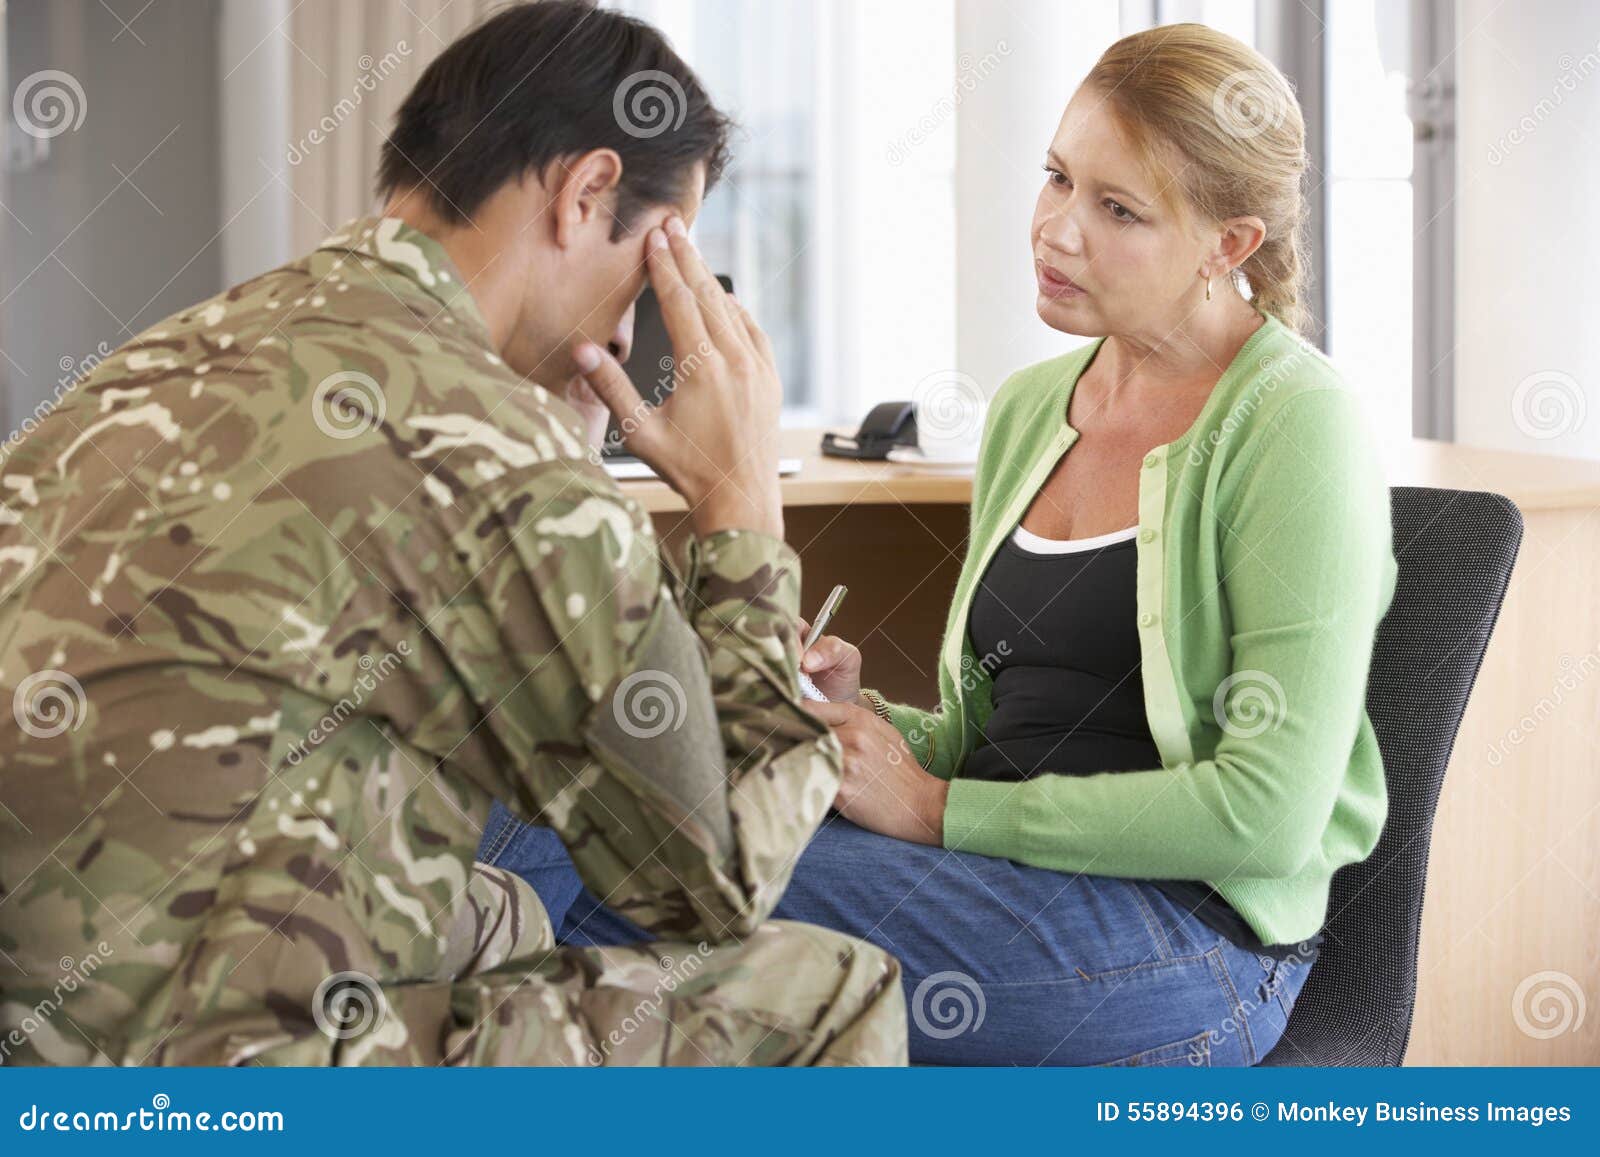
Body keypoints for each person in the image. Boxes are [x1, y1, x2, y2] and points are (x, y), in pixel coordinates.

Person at [0, 0, 906, 1066]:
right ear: (588, 192)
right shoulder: (485, 442)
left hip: (46, 1020)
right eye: (660, 263)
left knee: (500, 912)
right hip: (205, 1075)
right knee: (826, 988)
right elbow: (707, 880)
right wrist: (742, 508)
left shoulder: (165, 358)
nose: (629, 326)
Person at [494, 23, 1399, 1067]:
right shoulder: (1031, 409)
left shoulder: (1294, 423)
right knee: (609, 802)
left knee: (608, 864)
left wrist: (934, 807)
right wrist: (865, 723)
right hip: (1001, 882)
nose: (1055, 230)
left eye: (1117, 210)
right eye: (1057, 178)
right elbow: (1005, 738)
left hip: (1183, 948)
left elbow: (1266, 815)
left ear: (1228, 245)